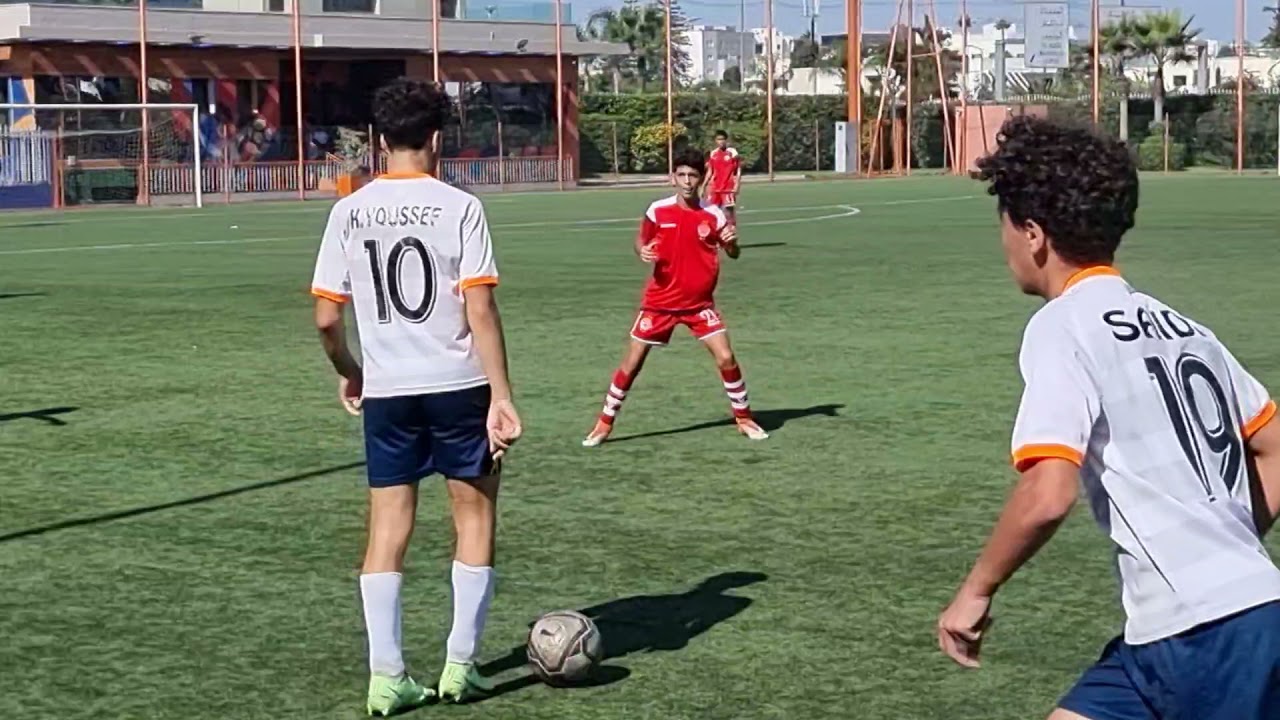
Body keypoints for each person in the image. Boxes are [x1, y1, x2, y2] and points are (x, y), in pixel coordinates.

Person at [937, 115, 1280, 720]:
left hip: (1207, 639)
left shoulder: (1062, 326)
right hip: (1171, 632)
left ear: (1033, 234)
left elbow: (1048, 493)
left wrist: (975, 591)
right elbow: (1275, 446)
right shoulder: (1185, 328)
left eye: (1007, 227)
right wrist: (1225, 539)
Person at [310, 77, 522, 716]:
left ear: (378, 140)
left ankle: (387, 677)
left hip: (389, 394)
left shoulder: (348, 209)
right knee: (474, 518)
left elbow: (325, 318)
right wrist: (502, 396)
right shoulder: (460, 206)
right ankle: (460, 666)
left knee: (387, 530)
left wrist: (352, 370)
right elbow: (479, 308)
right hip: (458, 385)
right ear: (437, 138)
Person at [583, 147, 768, 447]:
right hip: (660, 303)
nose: (686, 181)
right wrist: (641, 249)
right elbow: (640, 239)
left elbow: (733, 253)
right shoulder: (657, 210)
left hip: (699, 305)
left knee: (726, 356)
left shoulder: (714, 214)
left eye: (692, 175)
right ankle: (604, 424)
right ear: (673, 177)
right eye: (681, 175)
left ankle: (744, 418)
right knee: (631, 363)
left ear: (702, 178)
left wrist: (733, 245)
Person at [705, 129, 741, 224]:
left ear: (726, 140)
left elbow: (737, 170)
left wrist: (737, 184)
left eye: (722, 139)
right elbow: (710, 171)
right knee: (711, 210)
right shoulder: (713, 153)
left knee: (729, 211)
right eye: (718, 139)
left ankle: (732, 229)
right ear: (715, 141)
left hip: (728, 188)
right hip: (716, 188)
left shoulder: (732, 152)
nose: (721, 141)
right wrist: (704, 185)